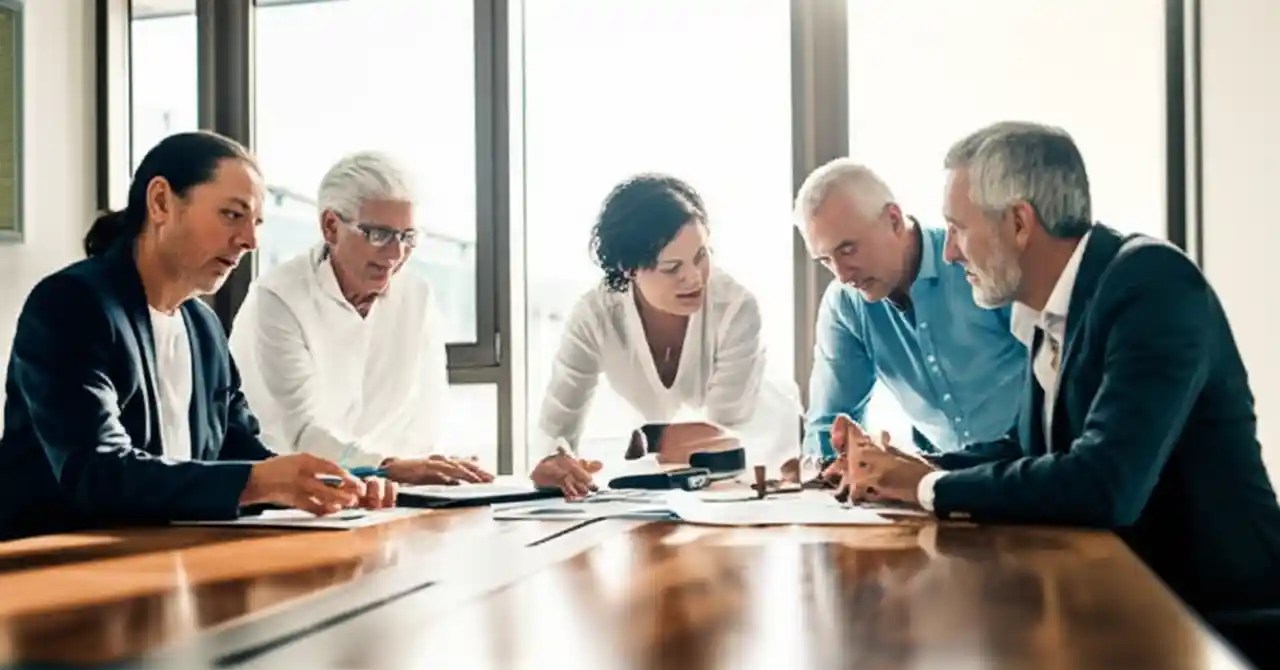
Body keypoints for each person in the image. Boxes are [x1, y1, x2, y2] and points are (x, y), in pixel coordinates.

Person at [835, 121, 1280, 619]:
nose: (950, 251)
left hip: (1218, 624)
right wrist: (913, 467)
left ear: (1020, 223)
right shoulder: (1050, 307)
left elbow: (1103, 484)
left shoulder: (1153, 285)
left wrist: (925, 487)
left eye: (958, 228)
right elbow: (1027, 450)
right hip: (1125, 605)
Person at [0, 131, 393, 540]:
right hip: (55, 571)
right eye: (232, 214)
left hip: (169, 563)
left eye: (256, 223)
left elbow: (239, 453)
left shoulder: (203, 329)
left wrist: (347, 483)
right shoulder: (72, 305)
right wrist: (261, 481)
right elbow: (97, 472)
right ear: (161, 202)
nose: (250, 241)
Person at [229, 151, 492, 486]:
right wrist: (388, 467)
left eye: (407, 237)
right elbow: (302, 432)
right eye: (379, 234)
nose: (395, 254)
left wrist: (439, 475)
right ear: (330, 227)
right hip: (292, 498)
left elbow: (427, 417)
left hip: (392, 495)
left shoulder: (416, 296)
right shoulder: (278, 297)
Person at [531, 173, 782, 497]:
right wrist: (555, 461)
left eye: (701, 256)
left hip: (767, 463)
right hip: (674, 483)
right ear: (628, 267)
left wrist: (646, 441)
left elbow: (723, 435)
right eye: (672, 267)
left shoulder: (736, 308)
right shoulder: (595, 316)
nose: (694, 278)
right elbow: (555, 428)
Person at [793, 159, 1024, 478]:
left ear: (893, 220)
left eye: (847, 250)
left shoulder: (977, 264)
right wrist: (828, 467)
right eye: (825, 260)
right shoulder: (845, 306)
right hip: (937, 490)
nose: (842, 275)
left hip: (1030, 479)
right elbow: (829, 425)